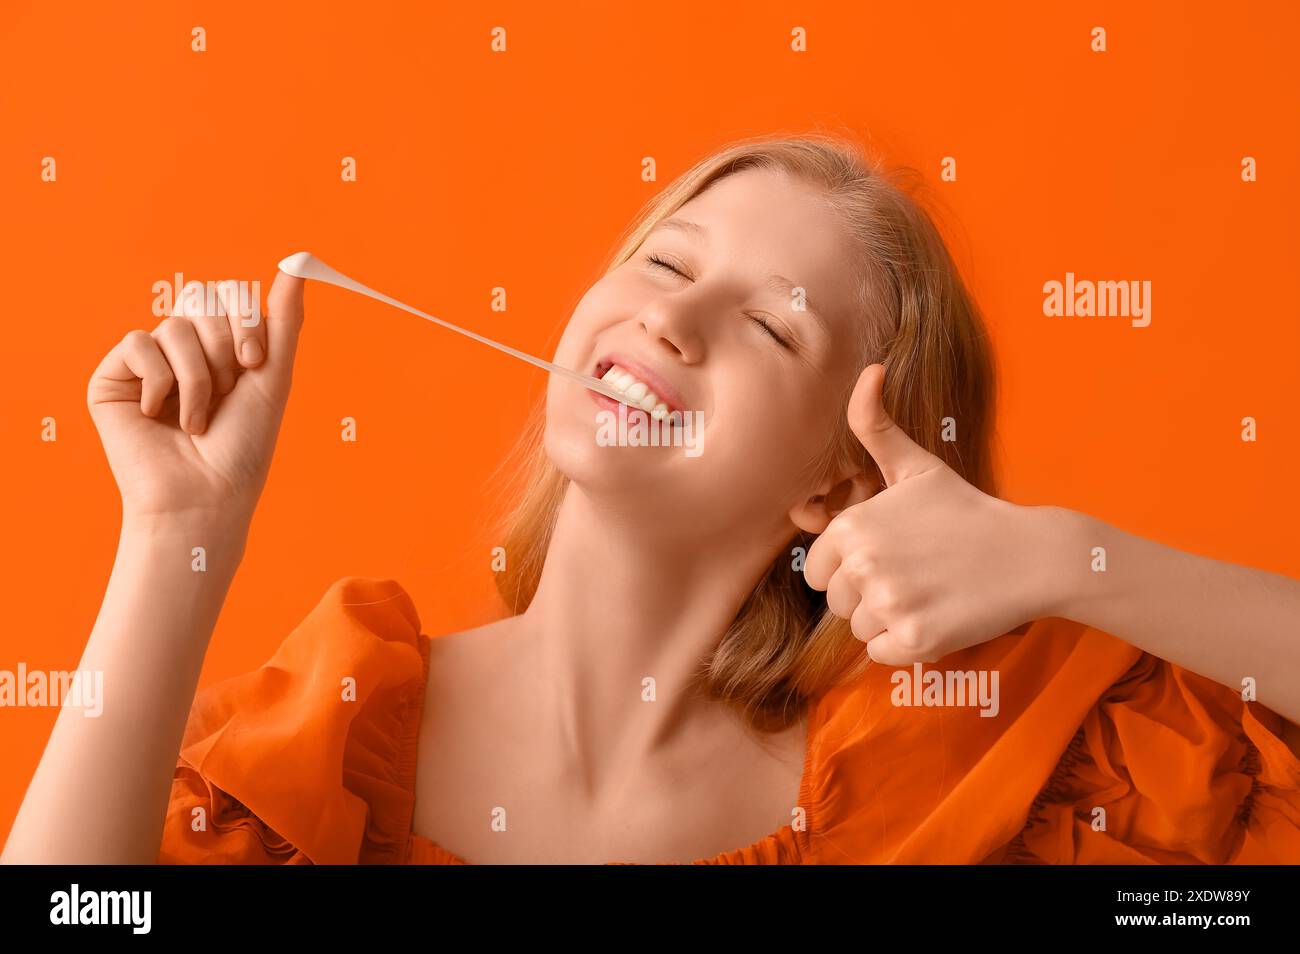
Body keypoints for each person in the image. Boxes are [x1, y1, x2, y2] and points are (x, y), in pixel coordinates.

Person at [4, 134, 1298, 865]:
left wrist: (1070, 558)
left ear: (836, 477)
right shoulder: (305, 760)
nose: (668, 317)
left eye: (766, 328)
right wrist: (180, 535)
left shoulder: (976, 786)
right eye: (664, 261)